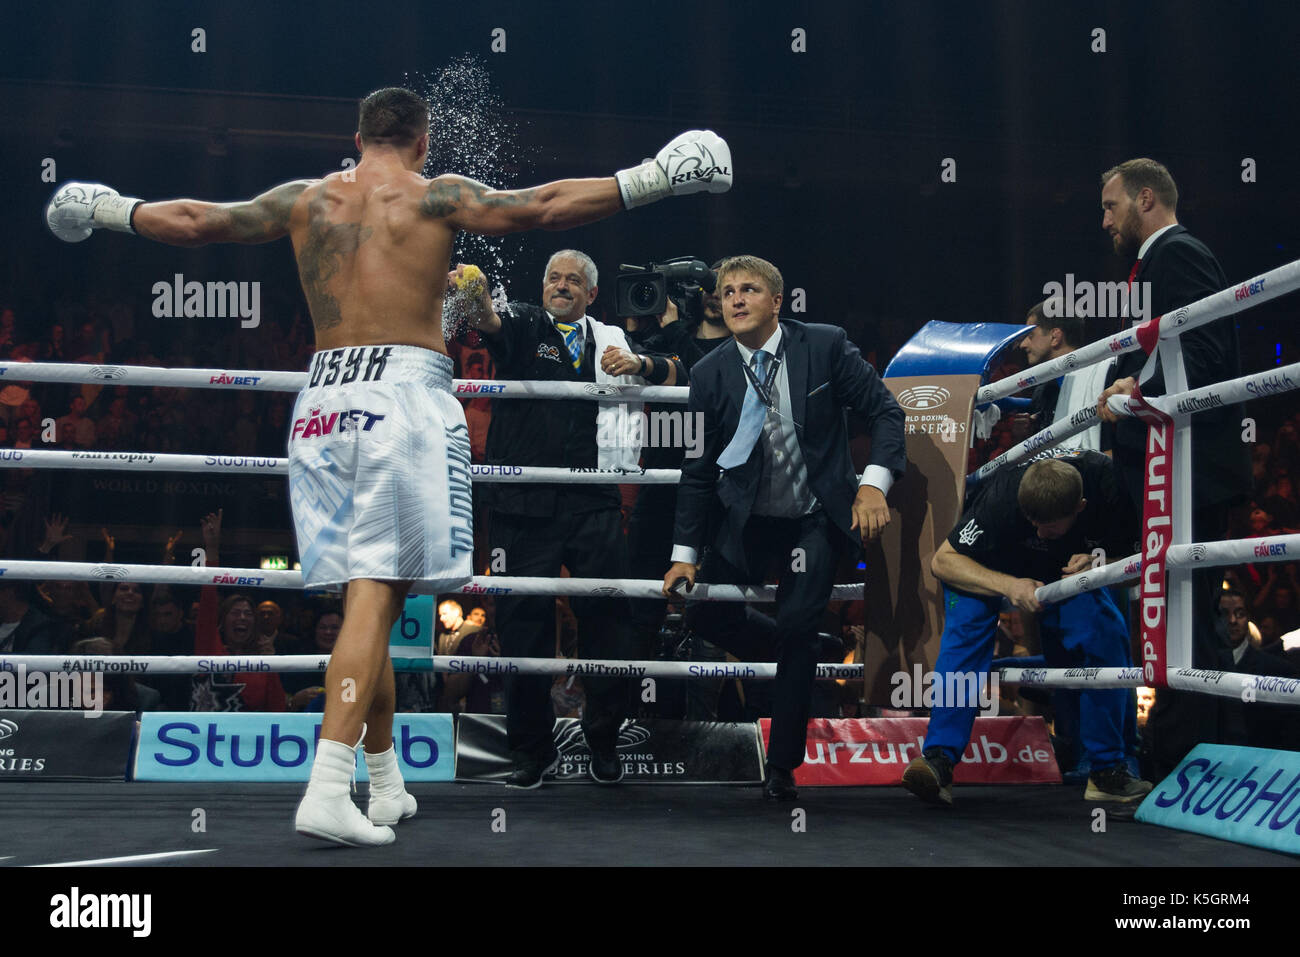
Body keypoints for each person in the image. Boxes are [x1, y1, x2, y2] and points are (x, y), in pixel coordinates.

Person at [47, 85, 731, 844]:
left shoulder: (305, 198)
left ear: (357, 134)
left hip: (322, 400)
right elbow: (542, 207)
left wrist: (108, 207)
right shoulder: (434, 196)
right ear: (423, 140)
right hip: (400, 400)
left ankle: (383, 782)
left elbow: (196, 220)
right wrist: (656, 177)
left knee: (369, 592)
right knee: (376, 592)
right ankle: (327, 784)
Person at [662, 255, 906, 800]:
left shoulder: (823, 345)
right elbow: (697, 470)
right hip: (746, 520)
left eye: (749, 290)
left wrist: (873, 485)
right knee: (704, 615)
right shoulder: (709, 373)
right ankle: (800, 646)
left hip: (814, 517)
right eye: (727, 292)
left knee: (796, 625)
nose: (736, 300)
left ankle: (781, 767)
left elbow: (887, 413)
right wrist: (685, 552)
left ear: (777, 302)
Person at [1095, 158, 1253, 780]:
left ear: (1145, 199)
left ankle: (1191, 763)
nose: (1104, 220)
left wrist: (1137, 386)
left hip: (1191, 465)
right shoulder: (1155, 264)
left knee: (1187, 611)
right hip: (1172, 462)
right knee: (1170, 605)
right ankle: (1183, 760)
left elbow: (1205, 356)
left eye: (1111, 206)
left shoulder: (1177, 253)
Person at [465, 249, 646, 788]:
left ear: (591, 295)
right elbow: (487, 320)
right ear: (541, 286)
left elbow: (666, 371)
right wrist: (473, 290)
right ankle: (530, 751)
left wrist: (638, 363)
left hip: (593, 499)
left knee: (608, 625)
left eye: (573, 281)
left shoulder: (613, 342)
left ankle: (604, 739)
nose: (560, 286)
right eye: (553, 278)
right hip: (524, 504)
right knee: (524, 627)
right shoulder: (522, 322)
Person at [901, 452, 1149, 807]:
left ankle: (1108, 771)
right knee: (965, 633)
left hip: (1065, 571)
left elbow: (1146, 567)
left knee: (1104, 632)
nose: (1037, 532)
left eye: (1047, 527)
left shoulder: (1112, 490)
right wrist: (1008, 586)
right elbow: (943, 561)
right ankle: (939, 759)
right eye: (1031, 522)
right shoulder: (1003, 496)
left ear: (1080, 507)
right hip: (992, 565)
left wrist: (1101, 566)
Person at [1018, 299, 1108, 450]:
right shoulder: (1043, 391)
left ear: (1055, 337)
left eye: (1030, 335)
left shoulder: (1101, 376)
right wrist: (1025, 435)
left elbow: (1108, 449)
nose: (1023, 344)